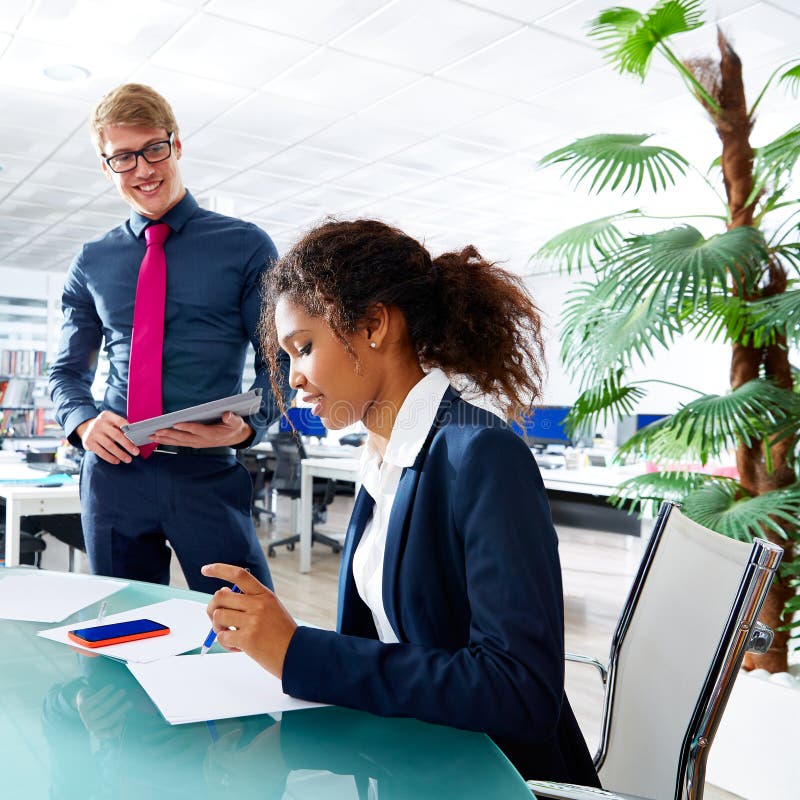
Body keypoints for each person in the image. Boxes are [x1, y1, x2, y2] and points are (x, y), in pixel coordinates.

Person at [202, 219, 601, 785]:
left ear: (373, 325)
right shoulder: (382, 459)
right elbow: (389, 640)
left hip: (492, 777)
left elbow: (520, 692)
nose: (293, 379)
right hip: (408, 756)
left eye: (305, 347)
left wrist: (302, 653)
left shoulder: (481, 455)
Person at [49, 83, 282, 594]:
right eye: (123, 158)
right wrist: (84, 424)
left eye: (154, 148)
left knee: (245, 625)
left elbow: (279, 363)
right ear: (105, 166)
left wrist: (248, 430)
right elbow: (66, 372)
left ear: (176, 144)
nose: (143, 170)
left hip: (208, 472)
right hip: (113, 476)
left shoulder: (245, 246)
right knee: (122, 628)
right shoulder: (92, 260)